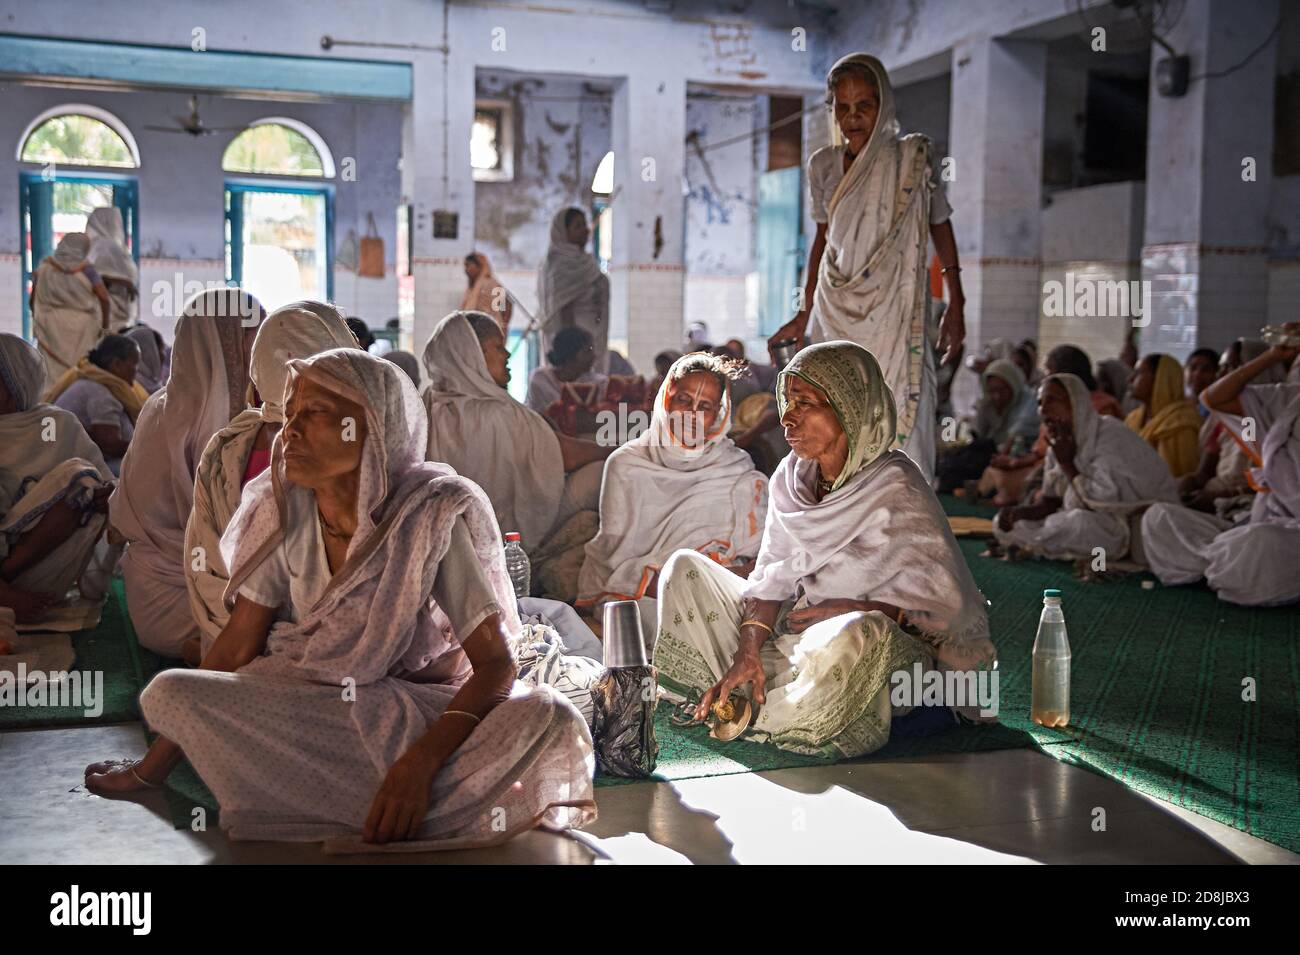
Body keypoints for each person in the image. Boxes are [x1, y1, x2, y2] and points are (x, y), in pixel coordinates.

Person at [85, 349, 595, 848]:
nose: (291, 430)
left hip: (409, 712)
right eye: (291, 413)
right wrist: (149, 774)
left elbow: (496, 664)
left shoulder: (427, 514)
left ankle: (376, 795)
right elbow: (240, 643)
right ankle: (400, 804)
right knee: (170, 693)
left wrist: (420, 761)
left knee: (548, 717)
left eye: (316, 413)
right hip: (317, 709)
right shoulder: (284, 508)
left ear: (373, 428)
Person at [655, 341, 995, 757]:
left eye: (804, 403)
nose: (786, 417)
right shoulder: (792, 476)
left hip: (877, 656)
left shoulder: (896, 487)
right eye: (788, 401)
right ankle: (748, 686)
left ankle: (768, 715)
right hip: (796, 638)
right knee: (685, 569)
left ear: (848, 408)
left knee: (857, 634)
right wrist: (748, 650)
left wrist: (849, 608)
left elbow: (948, 618)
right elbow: (771, 579)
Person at [767, 53, 966, 484]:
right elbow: (821, 240)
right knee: (831, 421)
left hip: (896, 316)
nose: (853, 118)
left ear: (884, 105)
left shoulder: (912, 158)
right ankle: (837, 527)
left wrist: (956, 301)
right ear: (833, 110)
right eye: (843, 107)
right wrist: (805, 311)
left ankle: (901, 529)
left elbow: (939, 223)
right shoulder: (823, 165)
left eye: (865, 105)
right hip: (834, 310)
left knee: (901, 418)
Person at [185, 301, 357, 662]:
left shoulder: (226, 447)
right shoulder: (357, 444)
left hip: (232, 632)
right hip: (332, 651)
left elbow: (206, 566)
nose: (291, 437)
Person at [109, 288, 264, 657]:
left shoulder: (163, 406)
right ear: (220, 342)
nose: (262, 350)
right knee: (290, 620)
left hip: (169, 593)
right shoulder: (182, 417)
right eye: (252, 338)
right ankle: (217, 647)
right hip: (174, 593)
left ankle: (214, 647)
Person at [577, 352, 768, 638]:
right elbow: (614, 553)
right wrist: (672, 581)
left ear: (718, 416)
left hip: (719, 586)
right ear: (667, 400)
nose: (692, 414)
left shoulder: (736, 468)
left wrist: (706, 579)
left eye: (704, 407)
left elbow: (757, 557)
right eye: (684, 401)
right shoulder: (627, 464)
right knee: (657, 626)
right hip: (646, 591)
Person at [422, 311, 611, 560]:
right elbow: (565, 455)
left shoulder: (427, 403)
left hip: (451, 535)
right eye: (498, 347)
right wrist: (619, 450)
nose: (507, 354)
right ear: (474, 355)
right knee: (602, 472)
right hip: (507, 532)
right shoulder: (496, 411)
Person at [1141, 328, 1300, 606]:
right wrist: (1273, 355)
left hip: (1279, 536)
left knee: (1260, 543)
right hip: (1260, 520)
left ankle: (1218, 568)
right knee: (1159, 517)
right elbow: (1213, 399)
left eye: (1229, 368)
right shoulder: (1288, 401)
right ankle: (1223, 568)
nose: (1222, 373)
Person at [994, 373, 1177, 563]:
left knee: (1079, 523)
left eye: (1053, 400)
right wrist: (1019, 513)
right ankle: (1040, 544)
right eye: (1040, 403)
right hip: (1078, 518)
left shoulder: (1110, 435)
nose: (1043, 409)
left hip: (1125, 526)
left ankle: (1040, 545)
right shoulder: (1056, 442)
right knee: (1007, 525)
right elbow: (1049, 503)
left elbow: (1103, 501)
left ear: (1076, 402)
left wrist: (1067, 463)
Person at [0, 334, 113, 623]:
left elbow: (110, 486)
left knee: (81, 480)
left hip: (39, 568)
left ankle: (6, 581)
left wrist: (104, 494)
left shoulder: (57, 425)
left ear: (16, 382)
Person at [978, 344, 1119, 506]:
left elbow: (1083, 455)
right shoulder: (1051, 404)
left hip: (1080, 473)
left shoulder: (1102, 406)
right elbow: (1044, 449)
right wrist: (1013, 462)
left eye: (1049, 371)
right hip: (1049, 466)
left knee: (1022, 483)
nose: (1046, 377)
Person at [47, 334, 147, 475]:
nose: (136, 370)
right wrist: (145, 447)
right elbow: (109, 444)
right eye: (134, 363)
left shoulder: (92, 382)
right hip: (77, 466)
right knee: (144, 472)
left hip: (76, 461)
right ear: (117, 364)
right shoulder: (100, 393)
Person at [936, 358, 1039, 493]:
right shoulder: (987, 405)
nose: (997, 396)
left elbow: (1013, 441)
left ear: (1013, 385)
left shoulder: (1027, 405)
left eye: (1002, 390)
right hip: (993, 453)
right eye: (992, 391)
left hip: (1015, 457)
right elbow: (978, 435)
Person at [30, 234, 110, 388]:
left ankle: (50, 404)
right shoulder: (88, 271)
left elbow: (33, 300)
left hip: (50, 326)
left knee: (50, 373)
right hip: (83, 329)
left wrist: (39, 316)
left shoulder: (44, 268)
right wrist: (105, 327)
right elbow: (104, 298)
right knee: (77, 371)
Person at [536, 208, 610, 374]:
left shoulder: (587, 261)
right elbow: (563, 310)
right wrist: (573, 350)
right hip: (574, 346)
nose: (585, 230)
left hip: (594, 336)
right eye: (578, 226)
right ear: (563, 231)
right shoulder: (558, 264)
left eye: (585, 224)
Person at [1125, 353, 1201, 478]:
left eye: (1139, 373)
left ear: (1161, 379)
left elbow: (1182, 474)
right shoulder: (1132, 419)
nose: (1130, 379)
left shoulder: (1181, 422)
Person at [525, 327, 607, 416]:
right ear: (570, 355)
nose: (594, 356)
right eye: (588, 351)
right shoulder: (540, 379)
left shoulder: (598, 382)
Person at [85, 208, 138, 332]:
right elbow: (98, 278)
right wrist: (126, 283)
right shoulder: (105, 247)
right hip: (110, 312)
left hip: (107, 311)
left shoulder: (97, 246)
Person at [460, 252, 512, 332]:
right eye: (465, 266)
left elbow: (505, 307)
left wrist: (503, 329)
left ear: (479, 266)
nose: (466, 270)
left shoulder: (492, 284)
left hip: (490, 333)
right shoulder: (472, 288)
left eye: (469, 265)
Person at [125, 325, 168, 394]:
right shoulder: (134, 384)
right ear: (149, 352)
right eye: (161, 350)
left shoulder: (152, 383)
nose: (164, 355)